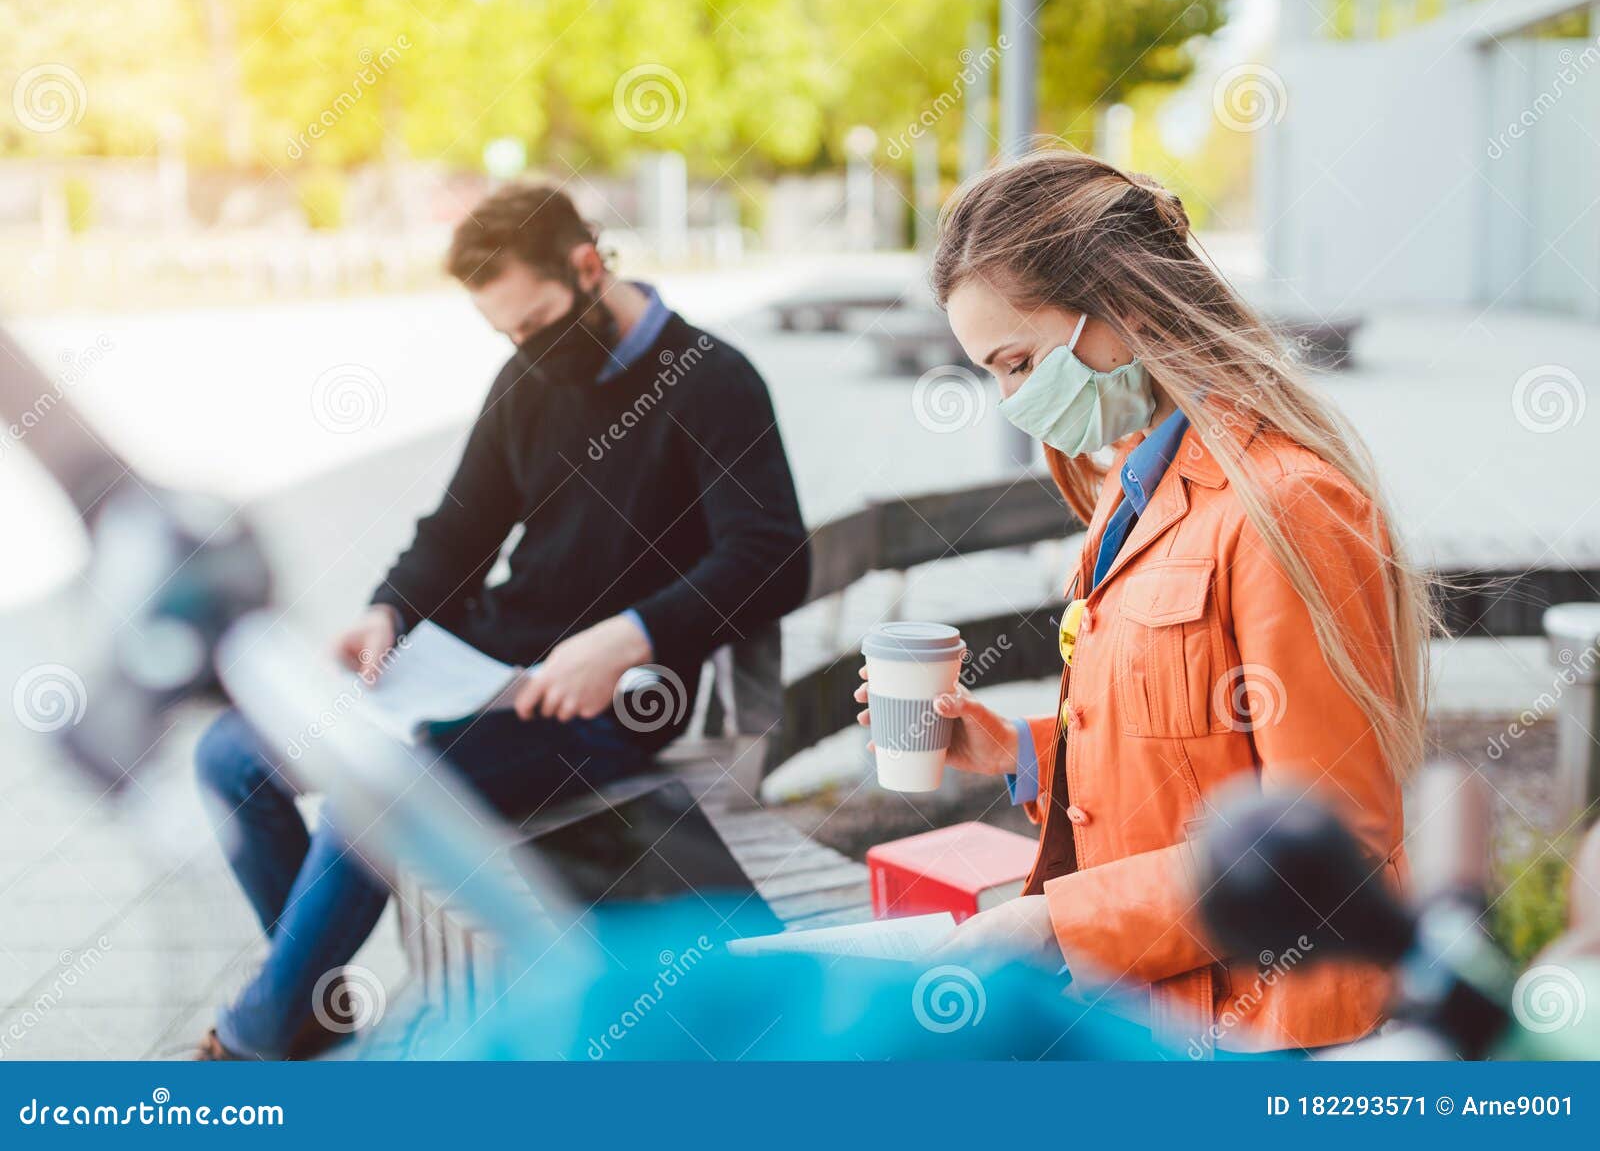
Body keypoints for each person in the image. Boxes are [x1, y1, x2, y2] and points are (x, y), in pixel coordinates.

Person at [193, 181, 810, 1059]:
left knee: (373, 797)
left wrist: (631, 633)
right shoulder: (528, 374)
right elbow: (461, 527)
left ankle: (254, 1037)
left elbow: (773, 555)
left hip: (614, 699)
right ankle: (308, 1009)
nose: (523, 347)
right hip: (479, 663)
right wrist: (389, 611)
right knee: (228, 756)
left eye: (533, 321)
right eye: (505, 334)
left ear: (588, 265)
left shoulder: (713, 381)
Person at [857, 150, 1429, 1054]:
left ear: (1120, 307)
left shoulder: (1286, 505)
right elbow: (1191, 745)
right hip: (1163, 1015)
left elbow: (1330, 844)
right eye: (991, 374)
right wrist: (1016, 751)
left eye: (1019, 362)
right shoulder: (1133, 488)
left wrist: (1059, 923)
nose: (1012, 401)